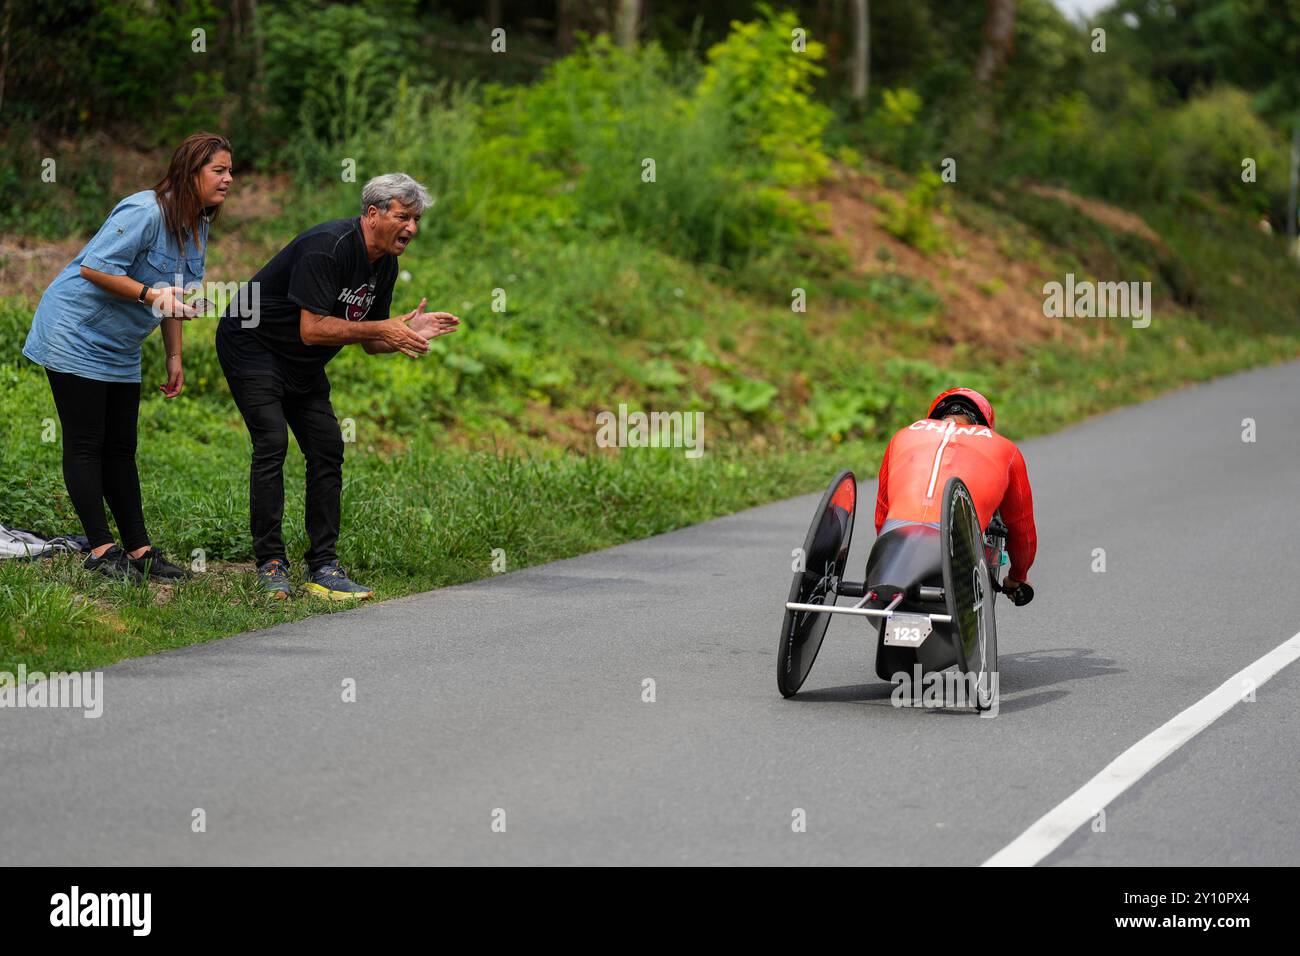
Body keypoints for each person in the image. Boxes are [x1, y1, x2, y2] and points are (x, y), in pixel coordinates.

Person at [215, 173, 459, 601]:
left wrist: (407, 331)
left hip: (300, 360)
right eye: (404, 217)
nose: (412, 229)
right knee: (272, 441)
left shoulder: (385, 264)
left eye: (416, 219)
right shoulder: (327, 247)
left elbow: (368, 341)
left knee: (328, 446)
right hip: (252, 342)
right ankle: (271, 564)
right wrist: (383, 326)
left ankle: (324, 566)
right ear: (372, 213)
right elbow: (312, 329)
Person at [22, 132, 234, 582]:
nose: (228, 179)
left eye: (230, 171)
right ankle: (101, 550)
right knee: (86, 441)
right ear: (190, 172)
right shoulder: (145, 211)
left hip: (120, 345)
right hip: (74, 331)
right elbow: (93, 268)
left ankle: (140, 550)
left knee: (121, 446)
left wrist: (173, 356)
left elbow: (174, 295)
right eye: (219, 170)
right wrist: (149, 293)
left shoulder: (198, 226)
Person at [873, 387, 1036, 603]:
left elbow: (882, 513)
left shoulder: (904, 434)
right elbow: (1022, 529)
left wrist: (890, 559)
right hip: (956, 549)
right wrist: (1018, 576)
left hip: (897, 543)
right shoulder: (1005, 448)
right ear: (984, 424)